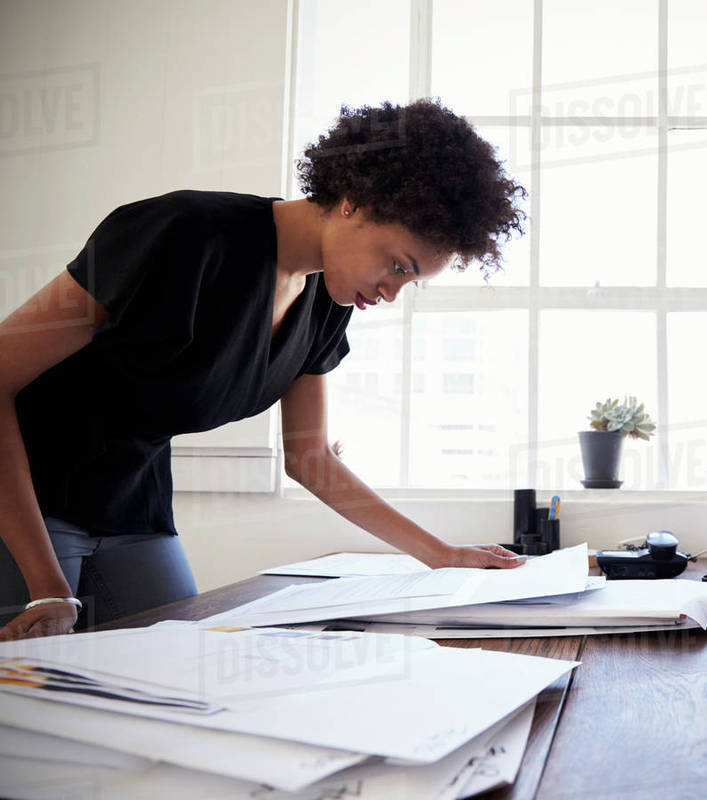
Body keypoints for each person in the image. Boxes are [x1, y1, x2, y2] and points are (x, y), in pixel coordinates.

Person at [0, 99, 529, 641]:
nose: (392, 293)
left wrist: (439, 554)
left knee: (183, 665)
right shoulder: (182, 232)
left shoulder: (328, 302)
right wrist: (46, 586)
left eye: (410, 282)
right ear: (354, 203)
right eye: (397, 265)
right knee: (34, 693)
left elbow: (310, 457)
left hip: (135, 503)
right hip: (23, 493)